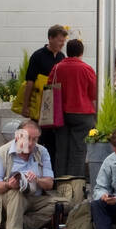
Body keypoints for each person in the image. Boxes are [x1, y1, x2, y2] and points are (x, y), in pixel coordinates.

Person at [0, 120, 57, 229]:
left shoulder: (42, 152)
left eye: (35, 139)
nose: (31, 143)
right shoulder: (1, 154)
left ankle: (15, 223)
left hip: (34, 199)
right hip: (7, 200)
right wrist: (8, 184)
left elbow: (49, 183)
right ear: (17, 136)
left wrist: (37, 180)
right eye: (28, 138)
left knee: (61, 205)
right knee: (16, 193)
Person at [50, 38, 97, 177]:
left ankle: (60, 184)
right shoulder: (86, 69)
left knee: (61, 150)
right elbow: (94, 93)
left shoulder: (57, 67)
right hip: (83, 114)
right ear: (81, 52)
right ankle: (74, 186)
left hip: (60, 114)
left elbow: (49, 88)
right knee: (79, 151)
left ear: (67, 51)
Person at [23, 24, 68, 162]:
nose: (62, 44)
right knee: (35, 139)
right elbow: (29, 82)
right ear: (50, 38)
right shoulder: (38, 56)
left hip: (54, 109)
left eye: (63, 41)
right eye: (60, 40)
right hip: (39, 106)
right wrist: (26, 106)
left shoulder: (61, 57)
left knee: (52, 142)